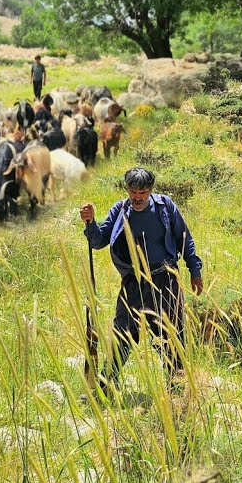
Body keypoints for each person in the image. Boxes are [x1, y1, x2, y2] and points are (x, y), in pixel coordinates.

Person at [80, 167, 204, 392]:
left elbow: (185, 238)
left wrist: (195, 271)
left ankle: (175, 387)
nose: (137, 197)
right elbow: (98, 242)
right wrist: (90, 224)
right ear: (127, 189)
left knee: (171, 333)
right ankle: (107, 385)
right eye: (133, 191)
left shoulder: (165, 207)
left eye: (143, 192)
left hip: (165, 279)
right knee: (123, 332)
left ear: (151, 190)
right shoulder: (120, 210)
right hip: (133, 283)